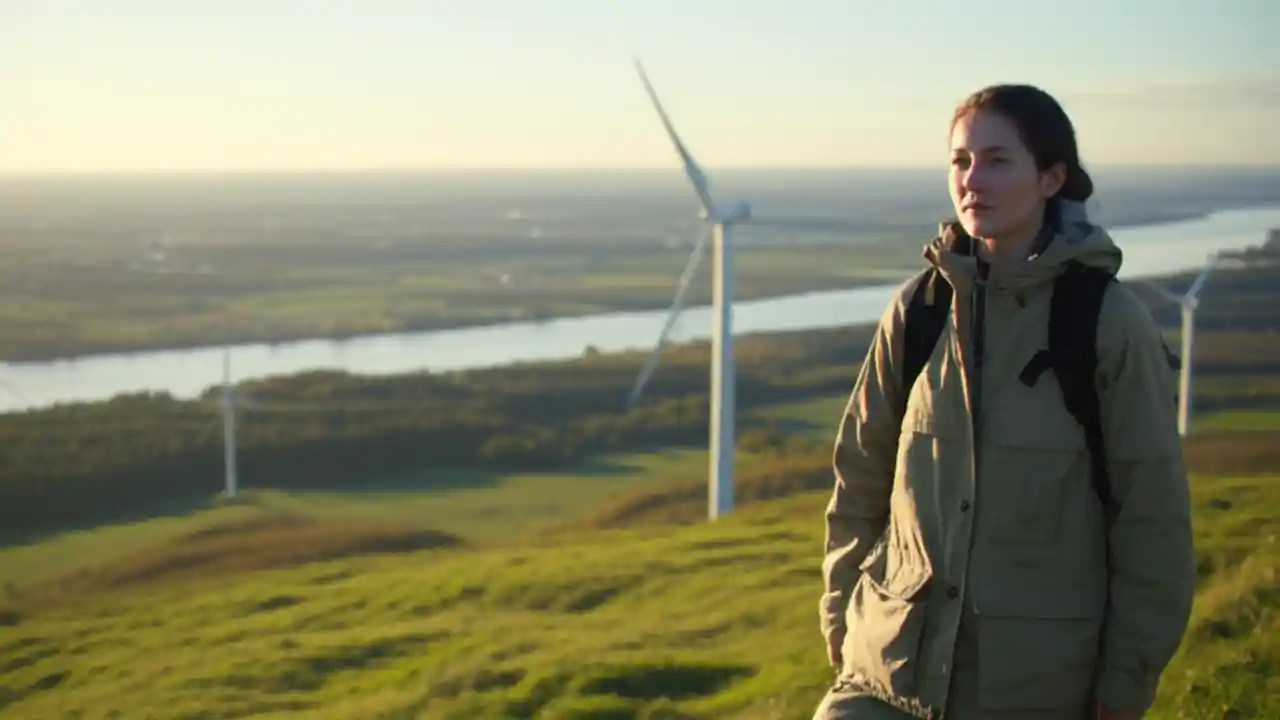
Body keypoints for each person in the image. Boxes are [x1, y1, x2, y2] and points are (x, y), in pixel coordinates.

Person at [812, 85, 1196, 719]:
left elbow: (1151, 518)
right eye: (960, 161)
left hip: (1035, 688)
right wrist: (842, 617)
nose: (972, 180)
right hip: (885, 670)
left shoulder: (1104, 323)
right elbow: (859, 478)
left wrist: (1125, 683)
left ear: (1051, 178)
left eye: (997, 160)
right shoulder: (919, 312)